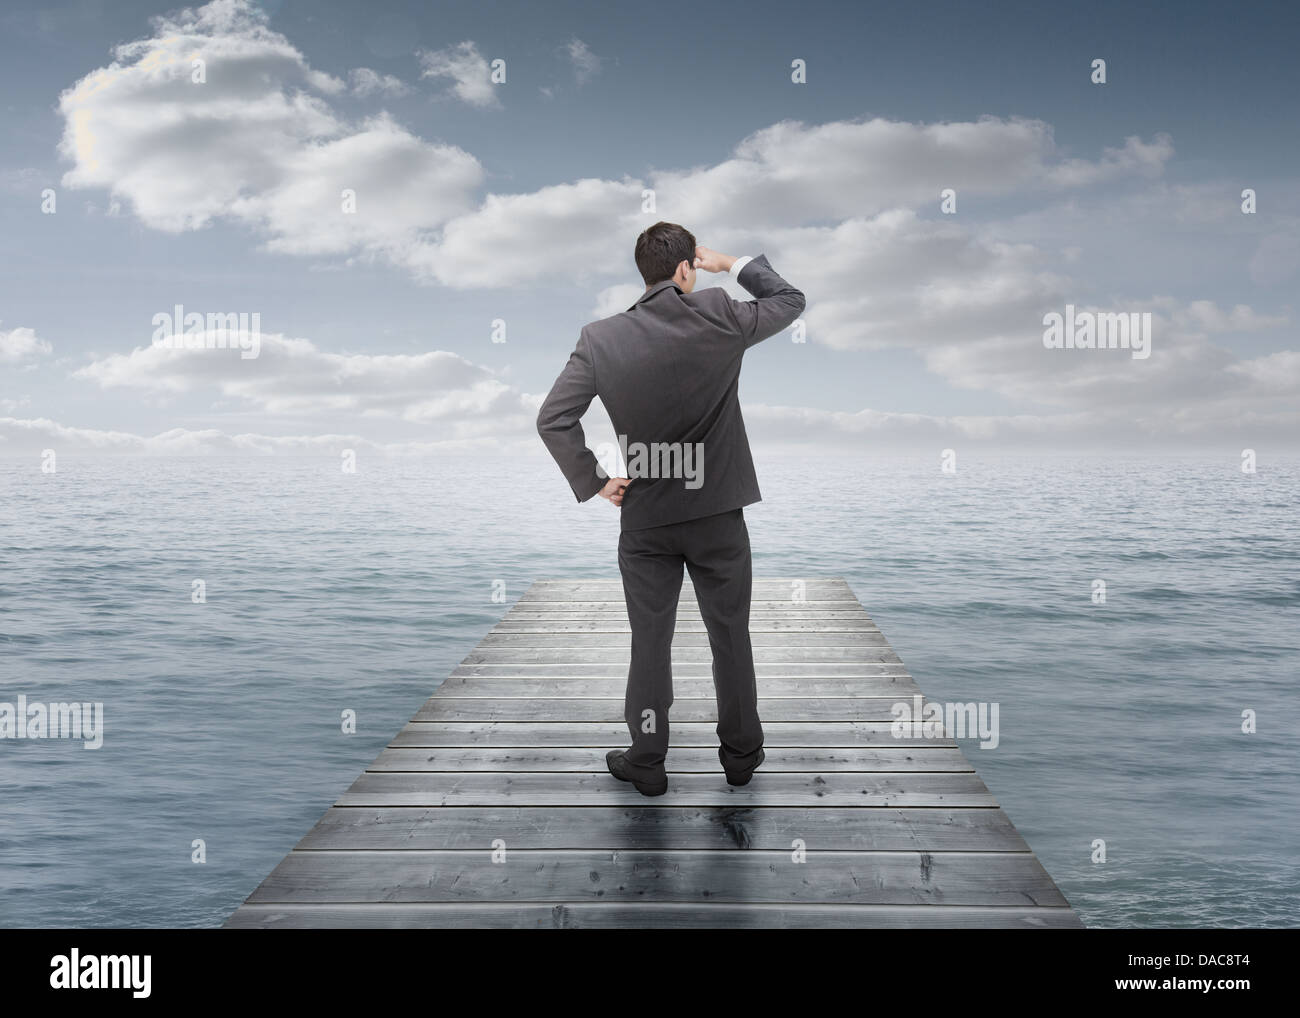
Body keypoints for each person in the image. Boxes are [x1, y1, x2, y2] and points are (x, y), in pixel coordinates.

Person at [536, 221, 805, 796]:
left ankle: (648, 762)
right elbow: (789, 300)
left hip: (647, 520)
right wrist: (727, 263)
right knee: (730, 634)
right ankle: (740, 756)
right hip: (718, 516)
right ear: (685, 269)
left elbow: (552, 419)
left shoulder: (601, 338)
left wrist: (597, 481)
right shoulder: (718, 313)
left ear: (643, 274)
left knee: (649, 642)